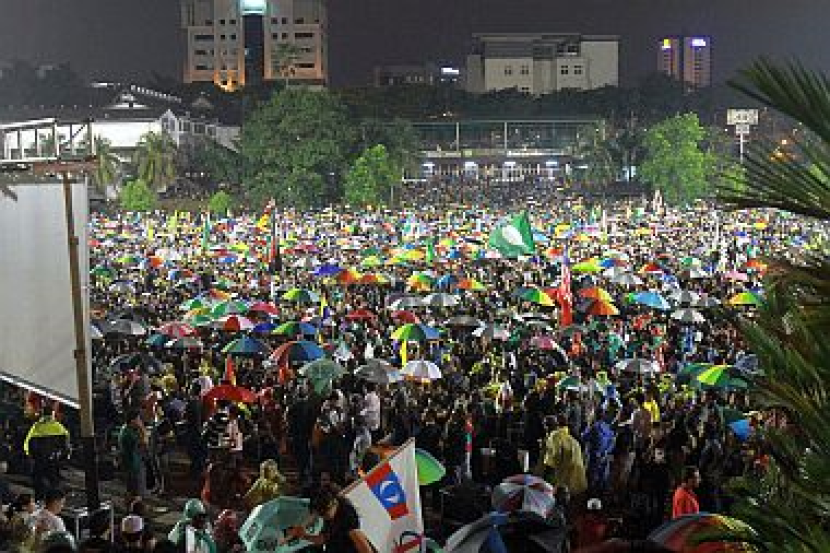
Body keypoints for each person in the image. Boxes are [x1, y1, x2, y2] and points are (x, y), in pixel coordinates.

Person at [288, 485, 374, 553]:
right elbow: (324, 539)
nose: (322, 517)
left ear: (332, 504)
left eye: (323, 513)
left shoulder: (348, 518)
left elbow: (366, 549)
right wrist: (304, 536)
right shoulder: (330, 515)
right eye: (320, 514)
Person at [542, 415, 588, 496]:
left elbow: (555, 457)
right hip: (577, 474)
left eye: (545, 425)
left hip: (564, 475)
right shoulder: (567, 435)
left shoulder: (555, 436)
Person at [118, 410, 148, 503]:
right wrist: (142, 428)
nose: (140, 421)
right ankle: (136, 508)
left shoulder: (126, 429)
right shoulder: (128, 434)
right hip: (133, 464)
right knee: (136, 489)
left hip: (131, 462)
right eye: (138, 419)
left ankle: (131, 506)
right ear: (132, 420)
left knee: (131, 488)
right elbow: (144, 443)